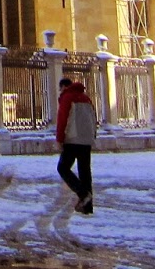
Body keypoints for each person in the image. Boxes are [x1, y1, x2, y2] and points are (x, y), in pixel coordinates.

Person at [55, 77, 97, 214]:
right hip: (86, 139)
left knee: (63, 167)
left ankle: (83, 193)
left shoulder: (67, 98)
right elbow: (93, 118)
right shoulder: (86, 98)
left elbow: (62, 119)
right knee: (85, 172)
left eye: (60, 88)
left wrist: (60, 139)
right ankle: (87, 207)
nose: (60, 91)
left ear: (64, 87)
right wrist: (93, 136)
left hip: (72, 139)